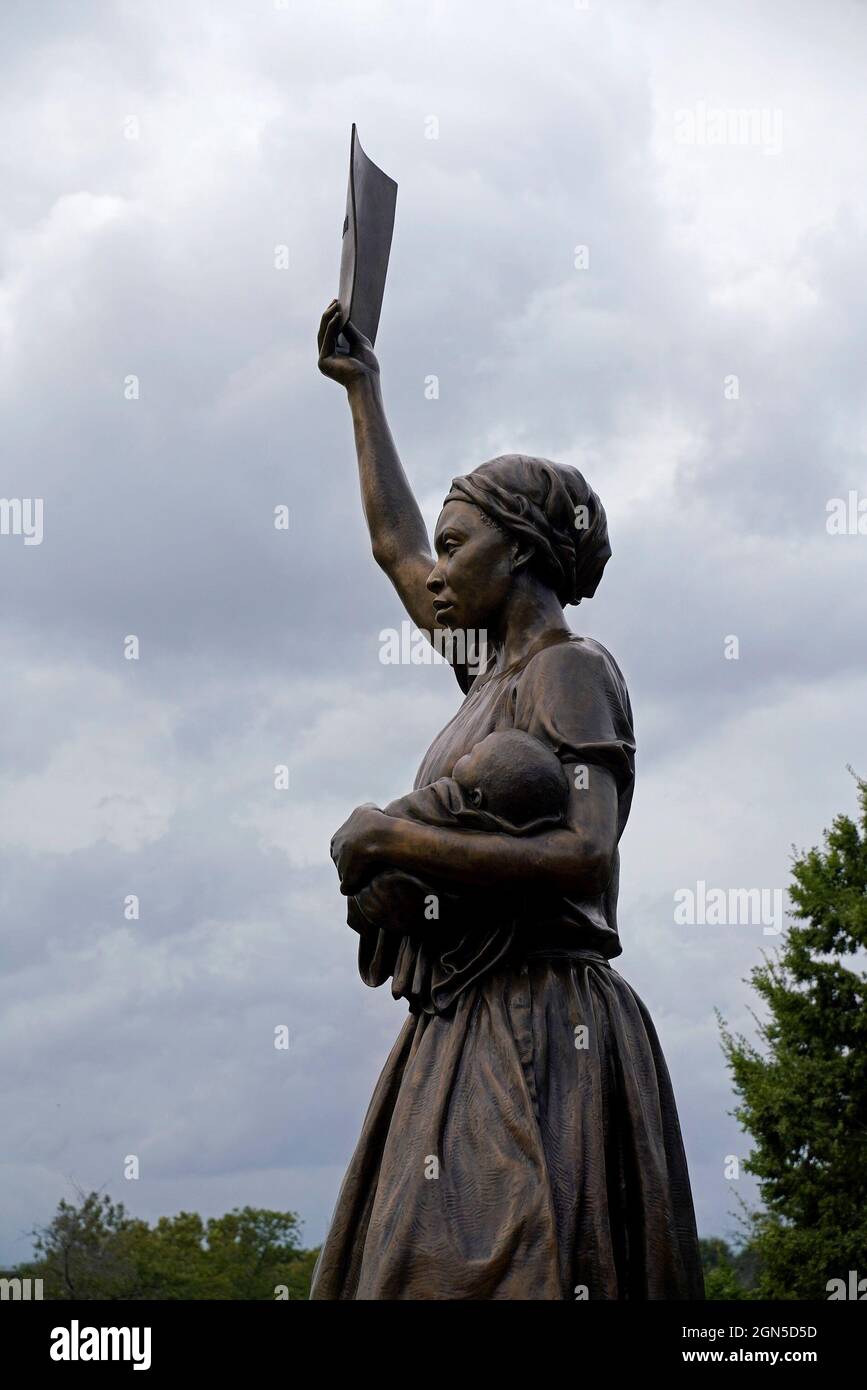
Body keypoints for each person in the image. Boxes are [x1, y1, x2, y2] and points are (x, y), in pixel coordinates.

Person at [309, 300, 705, 1300]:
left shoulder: (567, 671)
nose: (435, 574)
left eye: (459, 548)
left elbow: (586, 855)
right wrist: (366, 391)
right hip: (461, 1017)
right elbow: (392, 546)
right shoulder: (485, 674)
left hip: (545, 1025)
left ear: (520, 551)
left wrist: (400, 835)